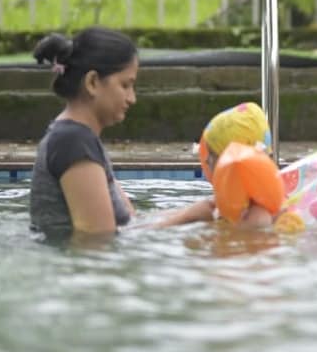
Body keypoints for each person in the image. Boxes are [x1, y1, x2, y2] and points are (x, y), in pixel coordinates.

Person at [29, 27, 214, 238]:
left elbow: (129, 222)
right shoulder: (73, 142)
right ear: (92, 83)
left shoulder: (80, 139)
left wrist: (205, 209)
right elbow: (99, 238)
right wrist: (190, 217)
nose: (132, 98)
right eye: (125, 85)